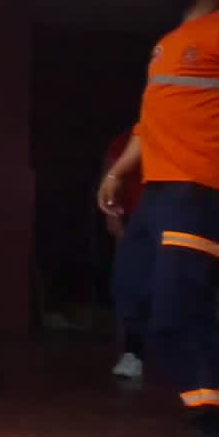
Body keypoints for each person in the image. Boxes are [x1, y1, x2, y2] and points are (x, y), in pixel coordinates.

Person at [98, 0, 219, 437]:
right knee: (133, 295)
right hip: (157, 191)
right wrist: (118, 171)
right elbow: (149, 121)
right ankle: (210, 407)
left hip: (199, 190)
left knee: (180, 309)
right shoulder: (166, 44)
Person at [102, 129, 146, 380]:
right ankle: (133, 353)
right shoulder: (122, 142)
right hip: (133, 221)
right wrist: (113, 216)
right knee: (130, 286)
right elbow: (110, 174)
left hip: (171, 219)